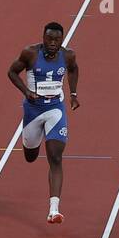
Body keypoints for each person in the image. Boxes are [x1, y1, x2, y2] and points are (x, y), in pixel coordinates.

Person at [8, 23, 79, 224]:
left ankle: (54, 209)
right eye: (49, 39)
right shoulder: (30, 53)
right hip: (33, 111)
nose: (53, 43)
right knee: (30, 156)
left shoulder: (68, 56)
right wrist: (26, 92)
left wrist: (73, 94)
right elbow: (12, 72)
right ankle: (32, 143)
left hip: (55, 109)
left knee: (55, 157)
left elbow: (73, 70)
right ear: (43, 38)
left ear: (62, 40)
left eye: (57, 40)